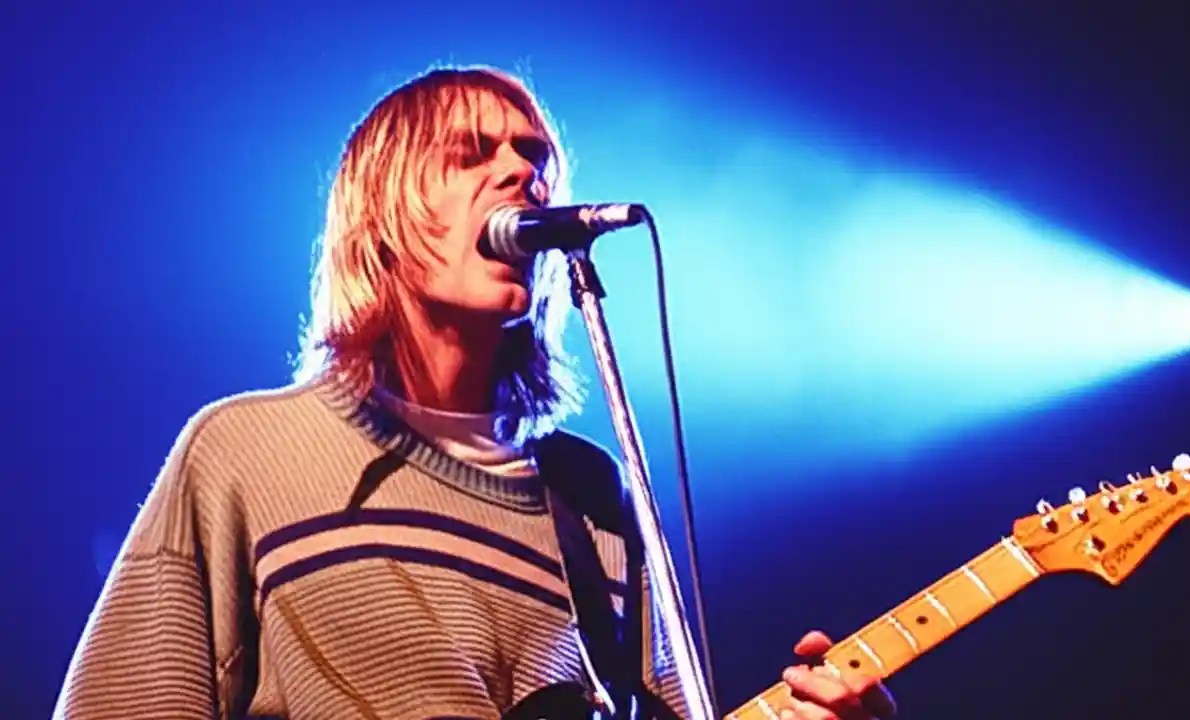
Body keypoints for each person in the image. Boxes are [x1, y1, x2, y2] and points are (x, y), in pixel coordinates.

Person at [52, 65, 896, 720]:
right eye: (471, 155)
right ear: (380, 213)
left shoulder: (590, 497)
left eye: (535, 160)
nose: (522, 176)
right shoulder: (247, 452)